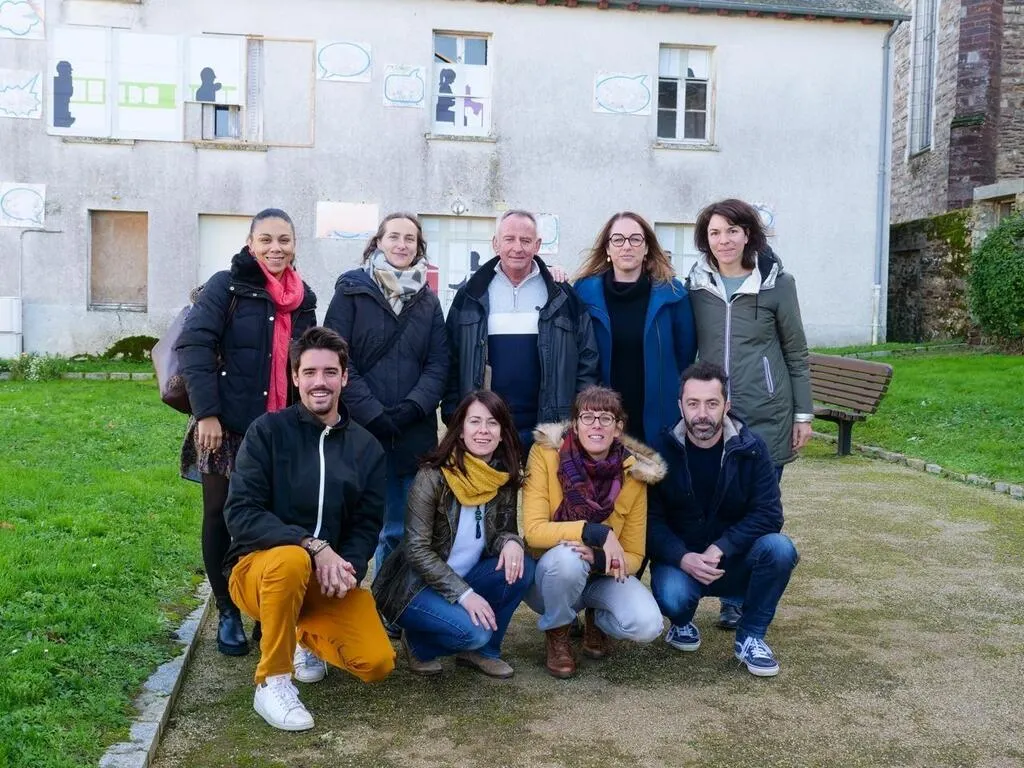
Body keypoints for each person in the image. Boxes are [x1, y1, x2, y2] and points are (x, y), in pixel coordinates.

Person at [223, 326, 395, 731]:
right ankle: (272, 681)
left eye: (330, 372)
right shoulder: (267, 432)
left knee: (376, 663)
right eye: (311, 372)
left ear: (344, 378)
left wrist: (348, 565)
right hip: (259, 573)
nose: (321, 382)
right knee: (291, 559)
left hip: (323, 580)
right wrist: (313, 546)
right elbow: (241, 512)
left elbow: (366, 525)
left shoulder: (367, 448)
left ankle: (301, 635)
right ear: (295, 377)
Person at [177, 208, 316, 657]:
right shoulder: (226, 285)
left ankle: (264, 608)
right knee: (220, 514)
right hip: (227, 425)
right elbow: (194, 345)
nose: (276, 248)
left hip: (280, 429)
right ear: (250, 243)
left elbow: (309, 363)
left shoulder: (304, 296)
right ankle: (227, 611)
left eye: (285, 240)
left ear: (295, 244)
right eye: (267, 240)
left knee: (272, 518)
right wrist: (207, 415)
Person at [687, 198, 812, 631]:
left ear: (748, 235)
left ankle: (739, 599)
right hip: (711, 416)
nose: (723, 240)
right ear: (705, 239)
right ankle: (716, 584)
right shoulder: (695, 285)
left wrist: (803, 413)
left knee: (758, 509)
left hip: (766, 413)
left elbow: (796, 353)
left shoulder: (778, 284)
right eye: (715, 232)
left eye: (732, 231)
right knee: (718, 504)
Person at [647, 361, 798, 677]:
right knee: (673, 597)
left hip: (733, 560)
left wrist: (721, 548)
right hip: (681, 564)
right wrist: (682, 557)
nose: (702, 413)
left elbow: (769, 514)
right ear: (681, 406)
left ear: (726, 406)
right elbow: (650, 521)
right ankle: (681, 622)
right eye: (693, 403)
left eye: (712, 403)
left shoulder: (752, 448)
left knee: (780, 549)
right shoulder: (660, 451)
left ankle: (751, 637)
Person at [323, 212, 449, 579]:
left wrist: (412, 407)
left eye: (409, 239)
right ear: (378, 241)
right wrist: (374, 412)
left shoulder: (428, 301)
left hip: (413, 430)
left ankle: (390, 604)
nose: (401, 244)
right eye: (394, 236)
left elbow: (439, 363)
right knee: (358, 521)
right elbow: (337, 359)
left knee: (404, 526)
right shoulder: (351, 291)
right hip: (362, 428)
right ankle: (341, 599)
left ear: (418, 246)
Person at [373, 391, 533, 679]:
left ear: (502, 433)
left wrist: (511, 542)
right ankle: (419, 644)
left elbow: (503, 530)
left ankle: (484, 653)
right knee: (475, 632)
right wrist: (465, 595)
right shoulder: (432, 477)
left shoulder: (501, 477)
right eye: (475, 422)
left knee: (523, 568)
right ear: (460, 431)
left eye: (492, 423)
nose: (483, 430)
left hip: (466, 576)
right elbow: (416, 550)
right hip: (416, 587)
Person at [522, 385, 666, 678]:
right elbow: (534, 532)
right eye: (587, 417)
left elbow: (636, 554)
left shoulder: (635, 472)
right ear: (575, 424)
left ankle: (597, 620)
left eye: (606, 418)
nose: (596, 425)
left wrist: (599, 559)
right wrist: (595, 533)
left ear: (618, 428)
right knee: (568, 558)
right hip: (552, 577)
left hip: (602, 576)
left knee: (648, 625)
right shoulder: (545, 455)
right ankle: (558, 631)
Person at [443, 208, 600, 455]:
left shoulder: (561, 296)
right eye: (509, 239)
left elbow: (587, 361)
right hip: (487, 432)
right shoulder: (470, 296)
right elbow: (450, 359)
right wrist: (455, 415)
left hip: (549, 432)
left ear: (537, 245)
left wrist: (576, 417)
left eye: (526, 240)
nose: (518, 247)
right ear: (496, 244)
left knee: (545, 496)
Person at [574, 211, 697, 443]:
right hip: (602, 415)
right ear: (608, 249)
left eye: (635, 239)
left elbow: (685, 356)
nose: (626, 246)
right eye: (618, 239)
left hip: (659, 415)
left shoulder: (673, 294)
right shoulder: (583, 293)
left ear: (647, 247)